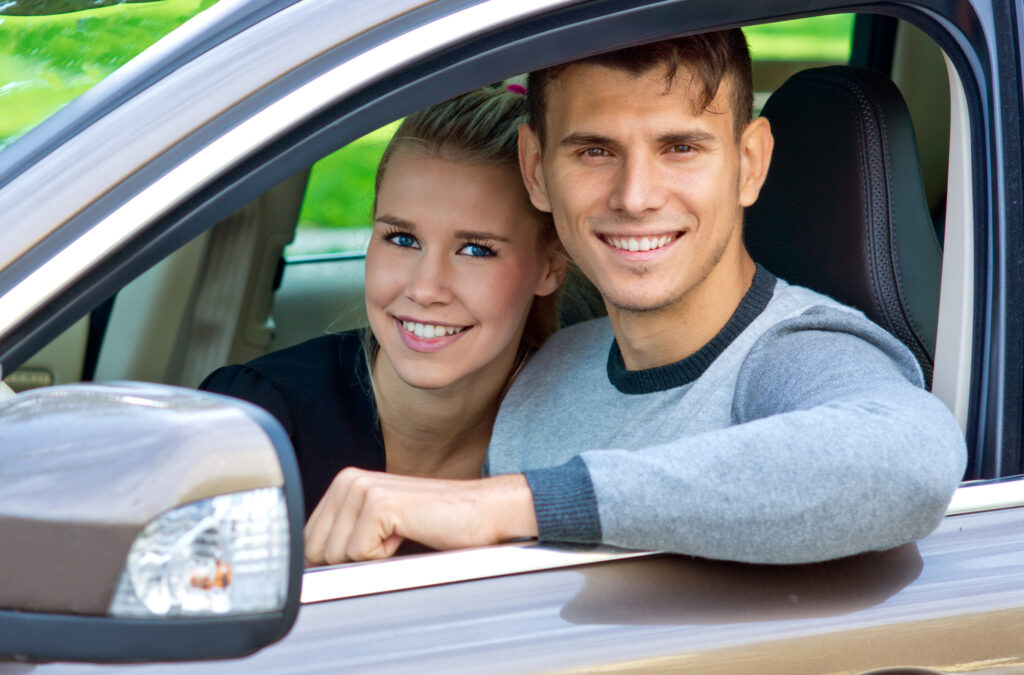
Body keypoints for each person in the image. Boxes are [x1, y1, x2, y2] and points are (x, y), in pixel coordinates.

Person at [301, 30, 966, 566]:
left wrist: (507, 504)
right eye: (595, 151)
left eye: (680, 147)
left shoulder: (792, 352)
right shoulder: (554, 368)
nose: (635, 195)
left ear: (750, 163)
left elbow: (910, 461)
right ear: (536, 170)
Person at [200, 87, 566, 524]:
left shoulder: (576, 430)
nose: (426, 288)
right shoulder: (257, 420)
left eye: (475, 250)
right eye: (402, 239)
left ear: (550, 266)